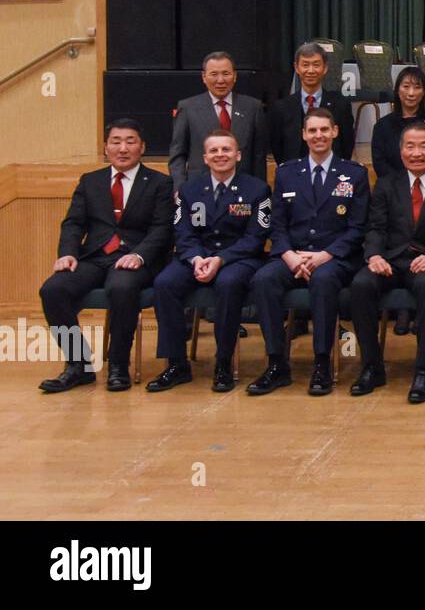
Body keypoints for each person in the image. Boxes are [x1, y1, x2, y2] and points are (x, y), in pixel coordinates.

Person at [37, 119, 173, 393]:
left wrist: (140, 255)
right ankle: (78, 365)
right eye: (116, 141)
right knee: (53, 289)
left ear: (142, 147)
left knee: (121, 287)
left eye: (130, 141)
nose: (123, 148)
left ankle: (118, 364)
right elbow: (73, 223)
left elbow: (163, 228)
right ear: (106, 147)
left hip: (135, 257)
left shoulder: (160, 183)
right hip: (96, 256)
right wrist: (67, 254)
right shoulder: (90, 181)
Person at [247, 107, 370, 397]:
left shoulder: (354, 174)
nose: (319, 136)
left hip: (334, 259)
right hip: (293, 256)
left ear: (335, 132)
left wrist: (324, 256)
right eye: (312, 131)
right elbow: (277, 225)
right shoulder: (287, 173)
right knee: (264, 279)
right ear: (304, 135)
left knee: (324, 281)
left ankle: (321, 363)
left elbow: (358, 227)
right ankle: (277, 363)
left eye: (324, 130)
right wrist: (288, 255)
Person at [147, 128, 270, 393]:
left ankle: (223, 362)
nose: (220, 155)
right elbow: (182, 232)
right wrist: (196, 259)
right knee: (164, 283)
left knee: (228, 283)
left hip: (239, 259)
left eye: (226, 149)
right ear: (204, 157)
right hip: (195, 257)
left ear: (237, 155)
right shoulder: (189, 190)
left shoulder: (257, 189)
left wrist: (221, 260)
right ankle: (176, 363)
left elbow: (255, 238)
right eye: (213, 150)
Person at [347, 122, 425, 404]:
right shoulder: (386, 184)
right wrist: (374, 256)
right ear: (401, 151)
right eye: (410, 146)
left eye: (423, 146)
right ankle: (372, 367)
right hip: (390, 260)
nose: (416, 153)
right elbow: (375, 228)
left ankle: (422, 372)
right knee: (361, 284)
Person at [169, 50, 267, 190]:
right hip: (199, 188)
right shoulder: (187, 107)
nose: (220, 80)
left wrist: (260, 190)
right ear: (204, 76)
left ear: (234, 76)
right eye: (214, 74)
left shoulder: (253, 107)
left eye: (226, 73)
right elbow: (177, 155)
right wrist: (180, 188)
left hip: (243, 189)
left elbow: (258, 157)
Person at [267, 41, 355, 166]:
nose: (311, 70)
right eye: (305, 65)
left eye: (316, 64)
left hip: (332, 174)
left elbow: (347, 144)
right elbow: (277, 147)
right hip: (294, 175)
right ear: (297, 68)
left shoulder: (340, 105)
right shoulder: (281, 107)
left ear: (325, 68)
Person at [370, 66, 425, 180]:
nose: (411, 93)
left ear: (424, 92)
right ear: (397, 90)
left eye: (417, 87)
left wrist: (424, 184)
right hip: (393, 189)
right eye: (406, 87)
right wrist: (403, 185)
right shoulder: (383, 125)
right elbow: (380, 163)